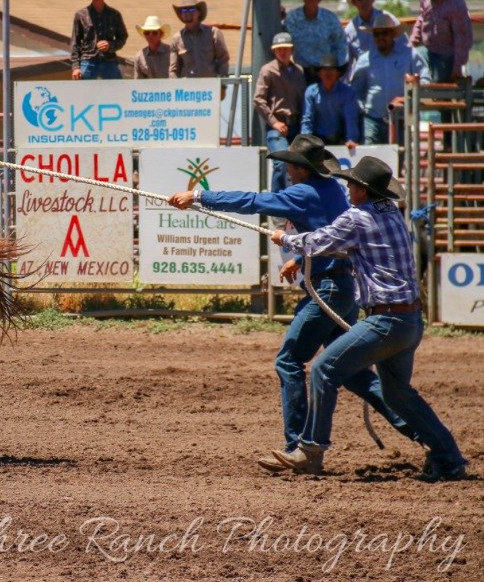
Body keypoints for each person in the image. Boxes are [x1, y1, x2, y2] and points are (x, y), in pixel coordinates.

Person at [168, 136, 415, 472]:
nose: (285, 170)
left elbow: (253, 201)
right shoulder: (332, 192)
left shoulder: (302, 192)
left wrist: (199, 196)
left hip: (327, 288)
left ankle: (298, 446)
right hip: (344, 287)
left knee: (289, 360)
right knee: (354, 373)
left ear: (300, 169)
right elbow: (331, 232)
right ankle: (416, 428)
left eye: (288, 164)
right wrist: (300, 258)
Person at [270, 157, 467, 480]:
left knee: (323, 370)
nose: (348, 188)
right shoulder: (391, 214)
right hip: (409, 320)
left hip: (385, 320)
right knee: (398, 394)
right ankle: (449, 457)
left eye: (352, 184)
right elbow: (353, 246)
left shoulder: (357, 217)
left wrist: (286, 241)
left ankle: (310, 449)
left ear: (362, 190)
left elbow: (318, 241)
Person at [350, 15, 430, 145]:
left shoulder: (410, 55)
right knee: (370, 158)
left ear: (393, 34)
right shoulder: (365, 59)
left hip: (402, 118)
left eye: (385, 33)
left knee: (400, 157)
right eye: (377, 34)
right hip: (372, 119)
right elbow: (355, 90)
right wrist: (363, 109)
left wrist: (407, 100)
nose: (380, 37)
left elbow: (425, 81)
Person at [255, 32, 307, 192]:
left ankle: (297, 200)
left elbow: (303, 100)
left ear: (292, 50)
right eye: (279, 49)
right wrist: (274, 122)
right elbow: (258, 99)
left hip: (296, 125)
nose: (282, 52)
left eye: (286, 49)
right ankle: (276, 203)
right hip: (277, 125)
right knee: (281, 161)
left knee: (301, 164)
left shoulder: (299, 71)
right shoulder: (267, 70)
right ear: (274, 51)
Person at [410, 0, 472, 83]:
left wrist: (457, 67)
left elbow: (461, 38)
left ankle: (427, 84)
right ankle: (424, 83)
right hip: (428, 52)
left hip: (447, 57)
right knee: (413, 55)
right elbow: (421, 19)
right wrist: (412, 43)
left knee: (437, 80)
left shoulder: (456, 4)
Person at [283, 0, 348, 85]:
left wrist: (335, 71)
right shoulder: (292, 18)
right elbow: (283, 42)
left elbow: (341, 45)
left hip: (326, 75)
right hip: (299, 75)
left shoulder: (330, 19)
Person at [70, 0, 128, 80]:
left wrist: (110, 45)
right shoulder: (81, 15)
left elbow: (123, 37)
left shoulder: (114, 14)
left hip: (109, 61)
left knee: (117, 92)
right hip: (88, 61)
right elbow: (75, 42)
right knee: (84, 93)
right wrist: (75, 67)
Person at [344, 0, 409, 68]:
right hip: (365, 76)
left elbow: (405, 47)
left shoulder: (388, 19)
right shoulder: (350, 31)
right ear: (354, 2)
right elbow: (347, 63)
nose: (364, 2)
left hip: (391, 69)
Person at [300, 54, 359, 149]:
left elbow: (351, 119)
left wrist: (351, 139)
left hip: (340, 138)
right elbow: (307, 119)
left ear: (338, 74)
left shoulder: (348, 93)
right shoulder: (311, 91)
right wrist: (305, 141)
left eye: (331, 70)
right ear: (319, 74)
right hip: (317, 139)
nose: (328, 73)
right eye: (324, 70)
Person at [169, 0, 229, 79]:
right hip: (187, 89)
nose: (187, 12)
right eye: (184, 10)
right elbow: (173, 70)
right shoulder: (176, 39)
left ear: (199, 12)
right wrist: (175, 87)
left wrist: (222, 84)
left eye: (191, 9)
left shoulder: (213, 33)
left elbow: (223, 59)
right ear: (181, 14)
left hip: (210, 87)